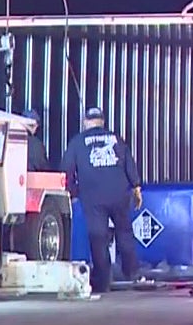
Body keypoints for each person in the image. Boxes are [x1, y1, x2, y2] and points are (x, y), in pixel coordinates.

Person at [60, 107, 142, 293]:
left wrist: (72, 193)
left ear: (86, 122)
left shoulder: (78, 142)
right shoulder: (116, 139)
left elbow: (66, 170)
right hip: (119, 193)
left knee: (98, 236)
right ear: (103, 122)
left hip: (93, 196)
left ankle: (104, 280)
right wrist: (136, 187)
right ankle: (132, 272)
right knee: (124, 231)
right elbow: (129, 163)